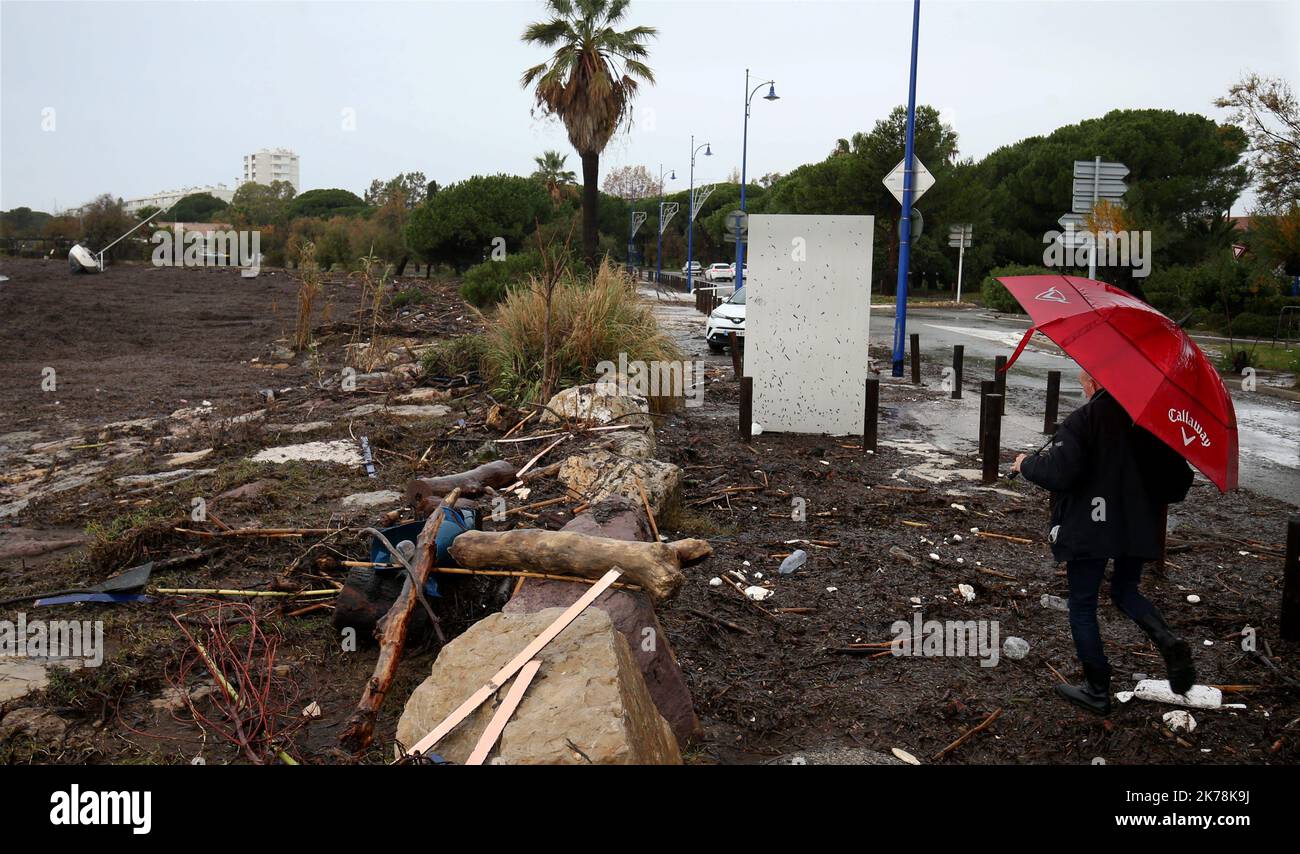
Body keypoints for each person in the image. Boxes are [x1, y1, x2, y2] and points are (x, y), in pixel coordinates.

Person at [1011, 368, 1195, 715]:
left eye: (1083, 383)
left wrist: (1027, 464)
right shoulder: (1152, 422)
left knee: (1082, 605)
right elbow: (1178, 483)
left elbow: (1060, 474)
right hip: (1136, 525)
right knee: (1126, 591)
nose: (1083, 390)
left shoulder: (1085, 419)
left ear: (1095, 382)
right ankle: (1168, 641)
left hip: (1091, 525)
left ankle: (1097, 689)